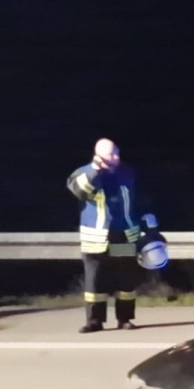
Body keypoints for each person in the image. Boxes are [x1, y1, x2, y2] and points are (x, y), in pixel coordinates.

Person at [67, 139, 159, 333]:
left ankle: (125, 319)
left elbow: (139, 201)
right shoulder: (84, 173)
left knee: (126, 279)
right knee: (95, 281)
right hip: (96, 238)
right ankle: (95, 321)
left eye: (117, 153)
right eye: (111, 154)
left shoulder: (127, 173)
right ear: (98, 155)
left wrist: (150, 227)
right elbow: (79, 191)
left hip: (123, 236)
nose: (116, 157)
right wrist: (95, 170)